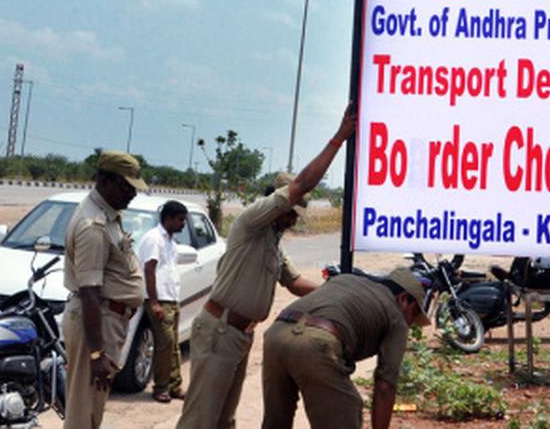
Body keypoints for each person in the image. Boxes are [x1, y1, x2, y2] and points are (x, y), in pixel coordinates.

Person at [177, 104, 357, 429]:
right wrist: (339, 139)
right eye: (291, 212)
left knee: (223, 420)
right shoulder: (252, 222)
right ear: (278, 203)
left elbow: (295, 282)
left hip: (240, 335)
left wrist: (338, 290)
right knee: (199, 421)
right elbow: (302, 185)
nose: (291, 220)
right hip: (220, 331)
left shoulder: (271, 241)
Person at [260, 266, 431, 429]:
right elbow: (385, 386)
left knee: (275, 422)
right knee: (345, 413)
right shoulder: (397, 317)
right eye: (414, 313)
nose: (411, 322)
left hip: (276, 335)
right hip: (316, 343)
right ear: (403, 299)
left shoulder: (347, 280)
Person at [62, 151, 147, 429]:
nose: (132, 194)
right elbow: (89, 293)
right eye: (127, 187)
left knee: (90, 410)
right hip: (96, 324)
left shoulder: (108, 215)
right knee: (83, 414)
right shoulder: (93, 226)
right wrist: (96, 354)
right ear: (105, 180)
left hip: (106, 321)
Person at [137, 199, 190, 403]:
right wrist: (154, 302)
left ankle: (174, 385)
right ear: (168, 218)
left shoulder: (170, 241)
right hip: (159, 300)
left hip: (172, 298)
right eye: (180, 220)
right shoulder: (154, 239)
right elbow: (149, 269)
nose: (182, 224)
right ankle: (160, 387)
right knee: (165, 342)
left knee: (174, 344)